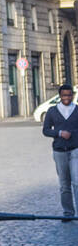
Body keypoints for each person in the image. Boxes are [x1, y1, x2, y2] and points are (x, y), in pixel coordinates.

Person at [42, 83, 78, 220]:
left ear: (72, 96)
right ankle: (68, 213)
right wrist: (59, 133)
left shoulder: (77, 109)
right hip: (59, 151)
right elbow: (46, 130)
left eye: (69, 95)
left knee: (77, 182)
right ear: (60, 96)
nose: (67, 98)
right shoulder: (52, 111)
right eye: (64, 95)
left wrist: (72, 134)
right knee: (64, 184)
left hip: (75, 150)